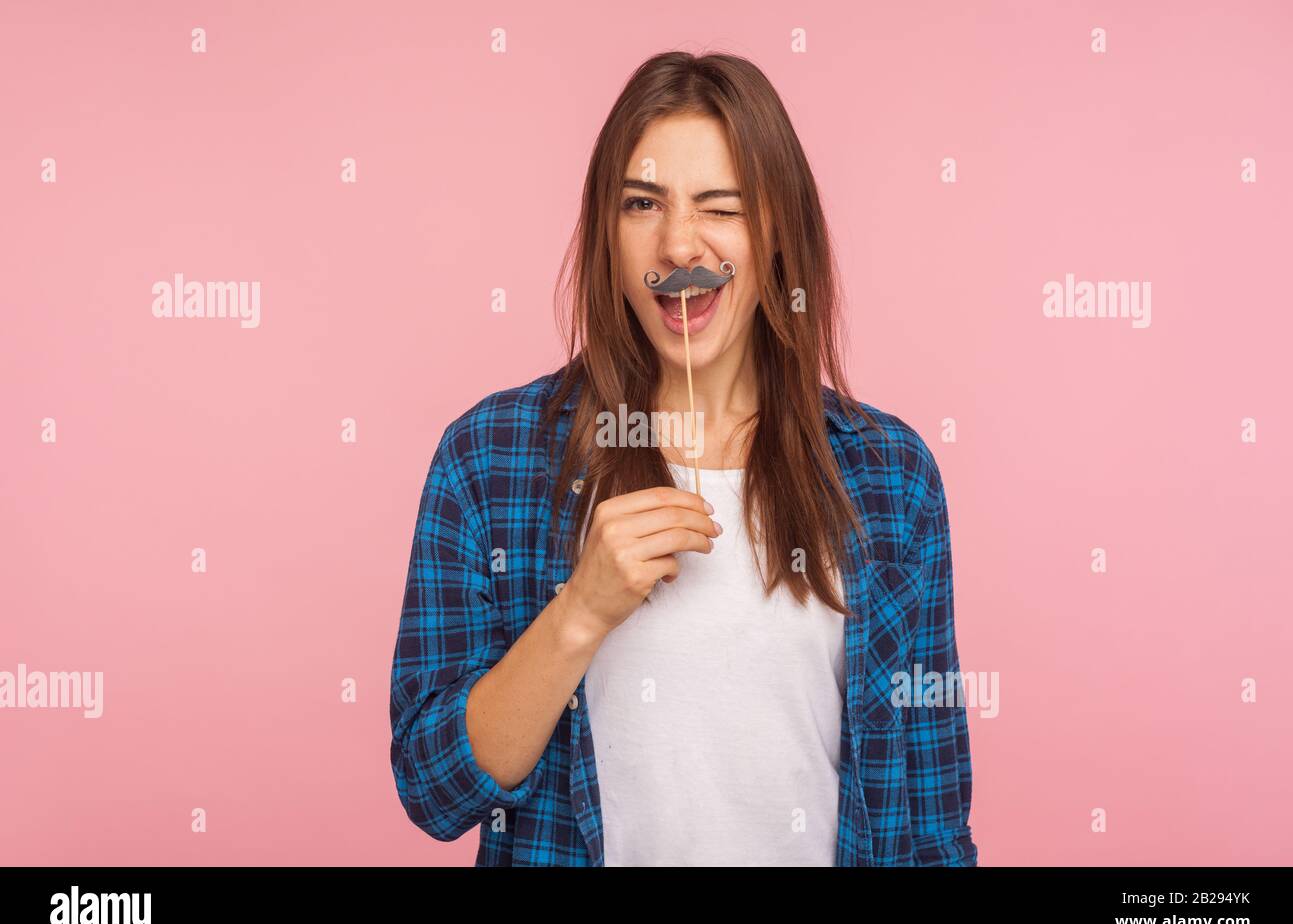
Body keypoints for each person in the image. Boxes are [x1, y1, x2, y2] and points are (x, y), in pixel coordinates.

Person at [389, 50, 977, 866]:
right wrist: (580, 613)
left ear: (778, 233)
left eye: (720, 207)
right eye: (642, 204)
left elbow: (933, 819)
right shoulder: (488, 458)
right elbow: (433, 788)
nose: (677, 246)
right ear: (607, 228)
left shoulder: (890, 476)